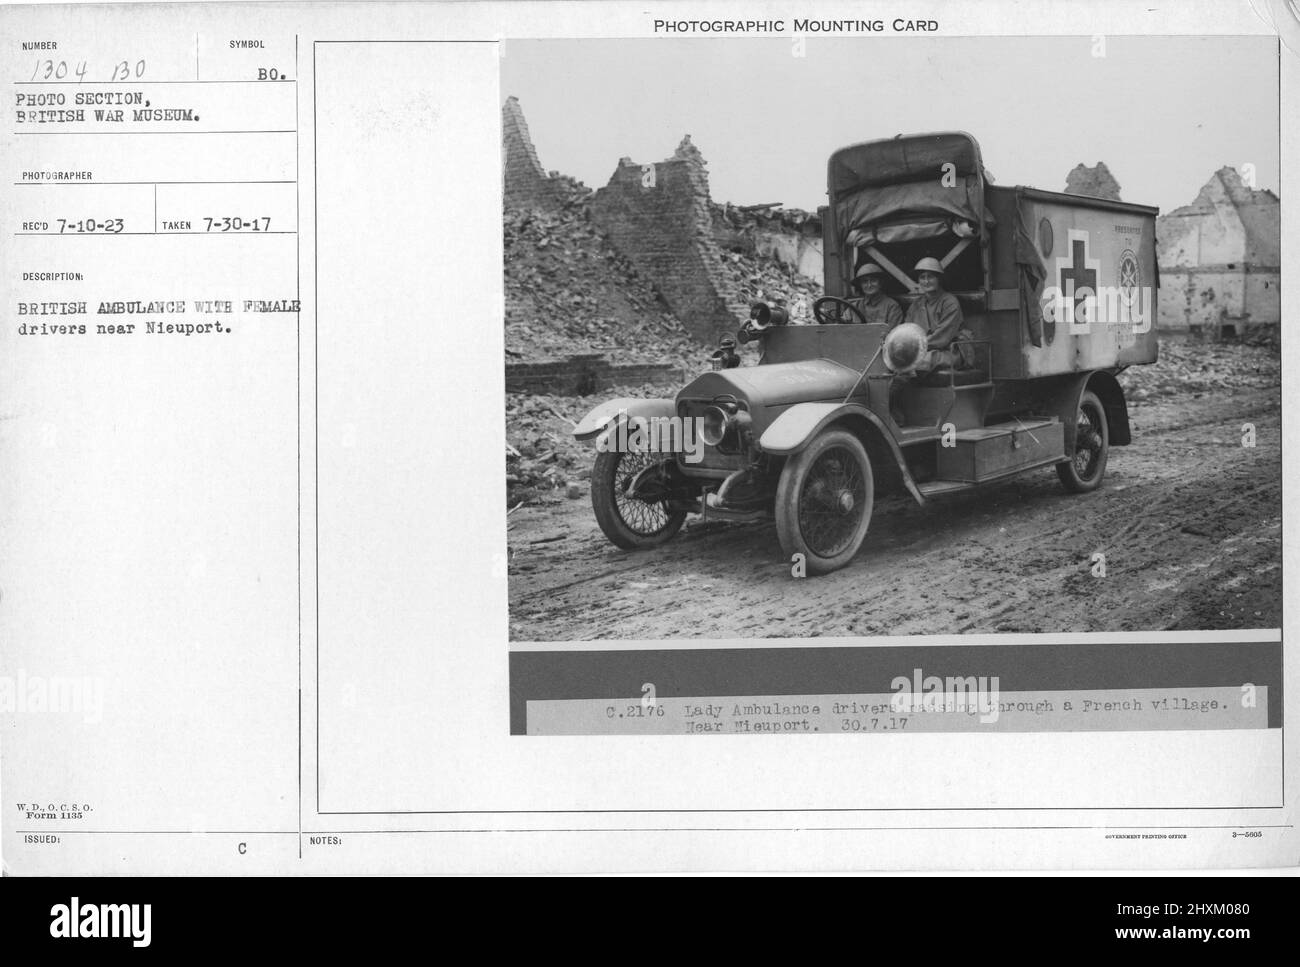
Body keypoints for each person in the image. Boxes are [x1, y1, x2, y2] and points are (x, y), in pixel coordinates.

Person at [903, 257, 974, 372]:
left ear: (939, 279)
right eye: (922, 277)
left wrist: (913, 348)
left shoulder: (950, 302)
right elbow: (907, 331)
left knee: (919, 362)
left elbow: (942, 338)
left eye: (930, 277)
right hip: (923, 350)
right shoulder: (916, 304)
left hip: (950, 351)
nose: (926, 281)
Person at [848, 263, 903, 328]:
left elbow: (893, 334)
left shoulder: (892, 306)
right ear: (860, 285)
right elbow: (840, 326)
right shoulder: (854, 307)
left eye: (873, 280)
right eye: (865, 281)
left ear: (881, 282)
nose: (869, 285)